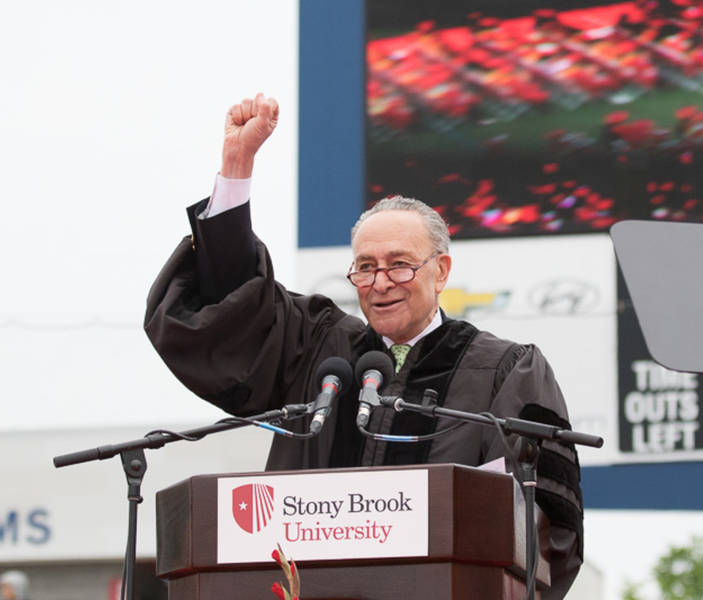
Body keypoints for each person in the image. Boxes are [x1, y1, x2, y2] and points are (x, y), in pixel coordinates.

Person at [144, 93, 583, 598]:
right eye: (366, 267)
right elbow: (232, 299)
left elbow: (539, 521)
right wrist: (236, 167)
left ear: (440, 271)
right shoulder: (317, 348)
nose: (380, 282)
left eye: (400, 264)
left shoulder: (506, 371)